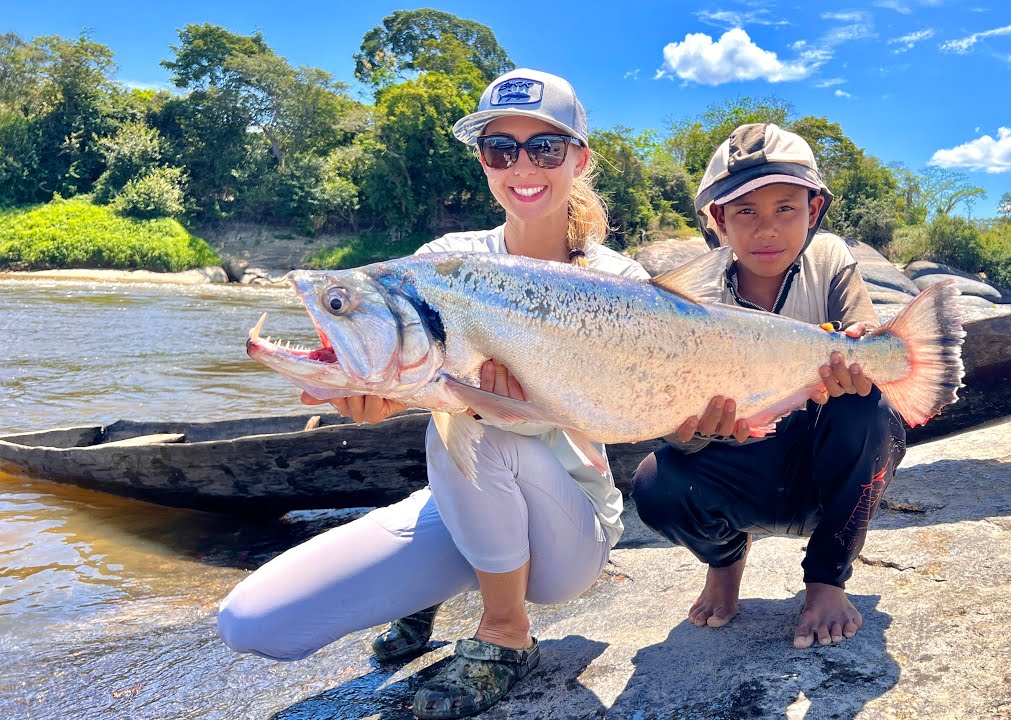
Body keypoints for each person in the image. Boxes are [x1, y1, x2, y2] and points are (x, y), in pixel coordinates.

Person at [216, 68, 651, 720]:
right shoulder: (446, 260)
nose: (521, 165)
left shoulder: (617, 280)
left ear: (579, 159)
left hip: (571, 530)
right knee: (250, 622)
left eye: (545, 148)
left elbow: (642, 411)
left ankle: (505, 633)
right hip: (468, 500)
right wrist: (376, 393)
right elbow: (409, 359)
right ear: (482, 160)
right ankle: (440, 586)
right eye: (500, 148)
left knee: (469, 413)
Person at [630, 123, 907, 650]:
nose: (766, 230)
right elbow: (675, 418)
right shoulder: (693, 297)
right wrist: (695, 434)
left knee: (865, 402)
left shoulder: (829, 261)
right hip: (743, 454)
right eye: (745, 213)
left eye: (786, 208)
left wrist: (865, 352)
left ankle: (827, 579)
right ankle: (725, 562)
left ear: (814, 211)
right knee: (655, 482)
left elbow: (864, 336)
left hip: (825, 466)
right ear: (719, 221)